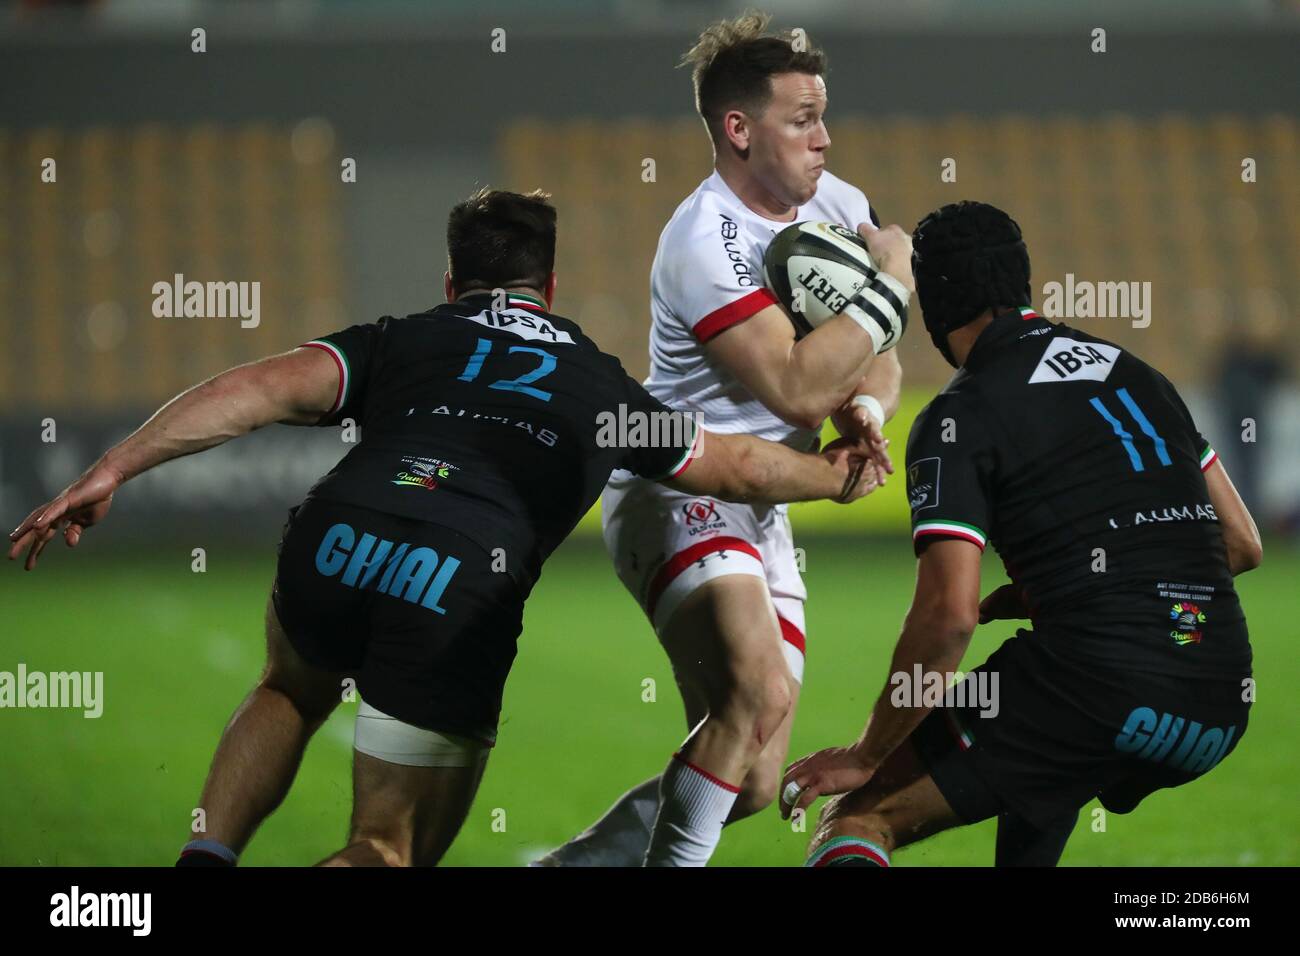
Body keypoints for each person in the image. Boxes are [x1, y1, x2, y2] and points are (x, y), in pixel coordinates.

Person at [7, 188, 883, 867]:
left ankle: (202, 861)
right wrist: (833, 479)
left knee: (288, 687)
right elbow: (729, 463)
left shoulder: (405, 337)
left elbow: (258, 388)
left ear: (451, 281)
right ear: (549, 285)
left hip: (333, 534)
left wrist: (116, 464)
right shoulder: (594, 383)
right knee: (385, 848)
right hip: (454, 574)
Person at [779, 200, 1261, 867]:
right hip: (1218, 702)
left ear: (937, 307)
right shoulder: (1137, 376)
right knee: (1047, 758)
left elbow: (948, 618)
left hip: (1098, 688)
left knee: (861, 817)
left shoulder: (960, 415)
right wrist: (1058, 595)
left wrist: (869, 754)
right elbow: (1241, 544)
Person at [540, 11, 910, 869]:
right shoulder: (703, 240)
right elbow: (793, 384)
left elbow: (879, 356)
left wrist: (870, 412)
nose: (824, 138)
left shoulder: (842, 205)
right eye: (801, 119)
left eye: (823, 115)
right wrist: (893, 278)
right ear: (738, 129)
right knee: (759, 685)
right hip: (685, 489)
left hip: (765, 506)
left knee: (748, 777)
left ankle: (571, 867)